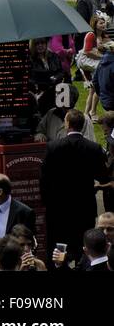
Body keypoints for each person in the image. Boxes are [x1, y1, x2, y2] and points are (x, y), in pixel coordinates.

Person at [41, 108, 111, 262]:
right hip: (84, 206)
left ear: (67, 124)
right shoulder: (93, 148)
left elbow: (44, 178)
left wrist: (47, 202)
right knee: (84, 249)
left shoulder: (53, 147)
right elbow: (103, 176)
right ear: (83, 125)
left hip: (58, 207)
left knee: (58, 249)